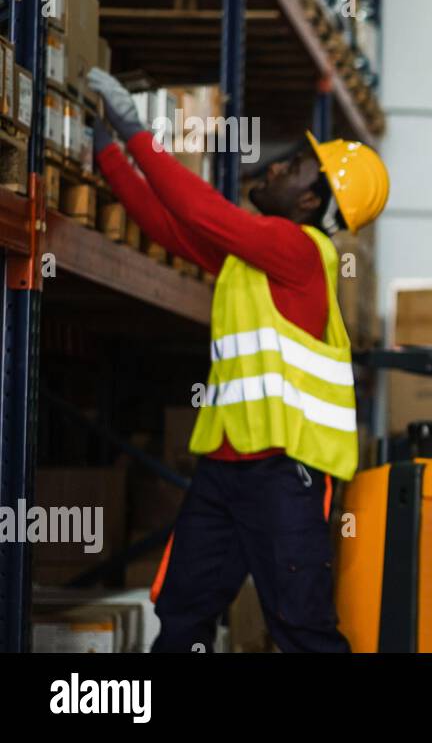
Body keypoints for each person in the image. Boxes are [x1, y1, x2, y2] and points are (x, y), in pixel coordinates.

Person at [88, 68, 389, 652]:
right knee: (182, 612)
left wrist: (135, 130)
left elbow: (201, 213)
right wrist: (107, 151)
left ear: (310, 199)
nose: (274, 165)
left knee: (300, 628)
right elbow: (169, 225)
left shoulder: (298, 251)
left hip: (285, 474)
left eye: (294, 166)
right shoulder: (253, 257)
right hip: (226, 469)